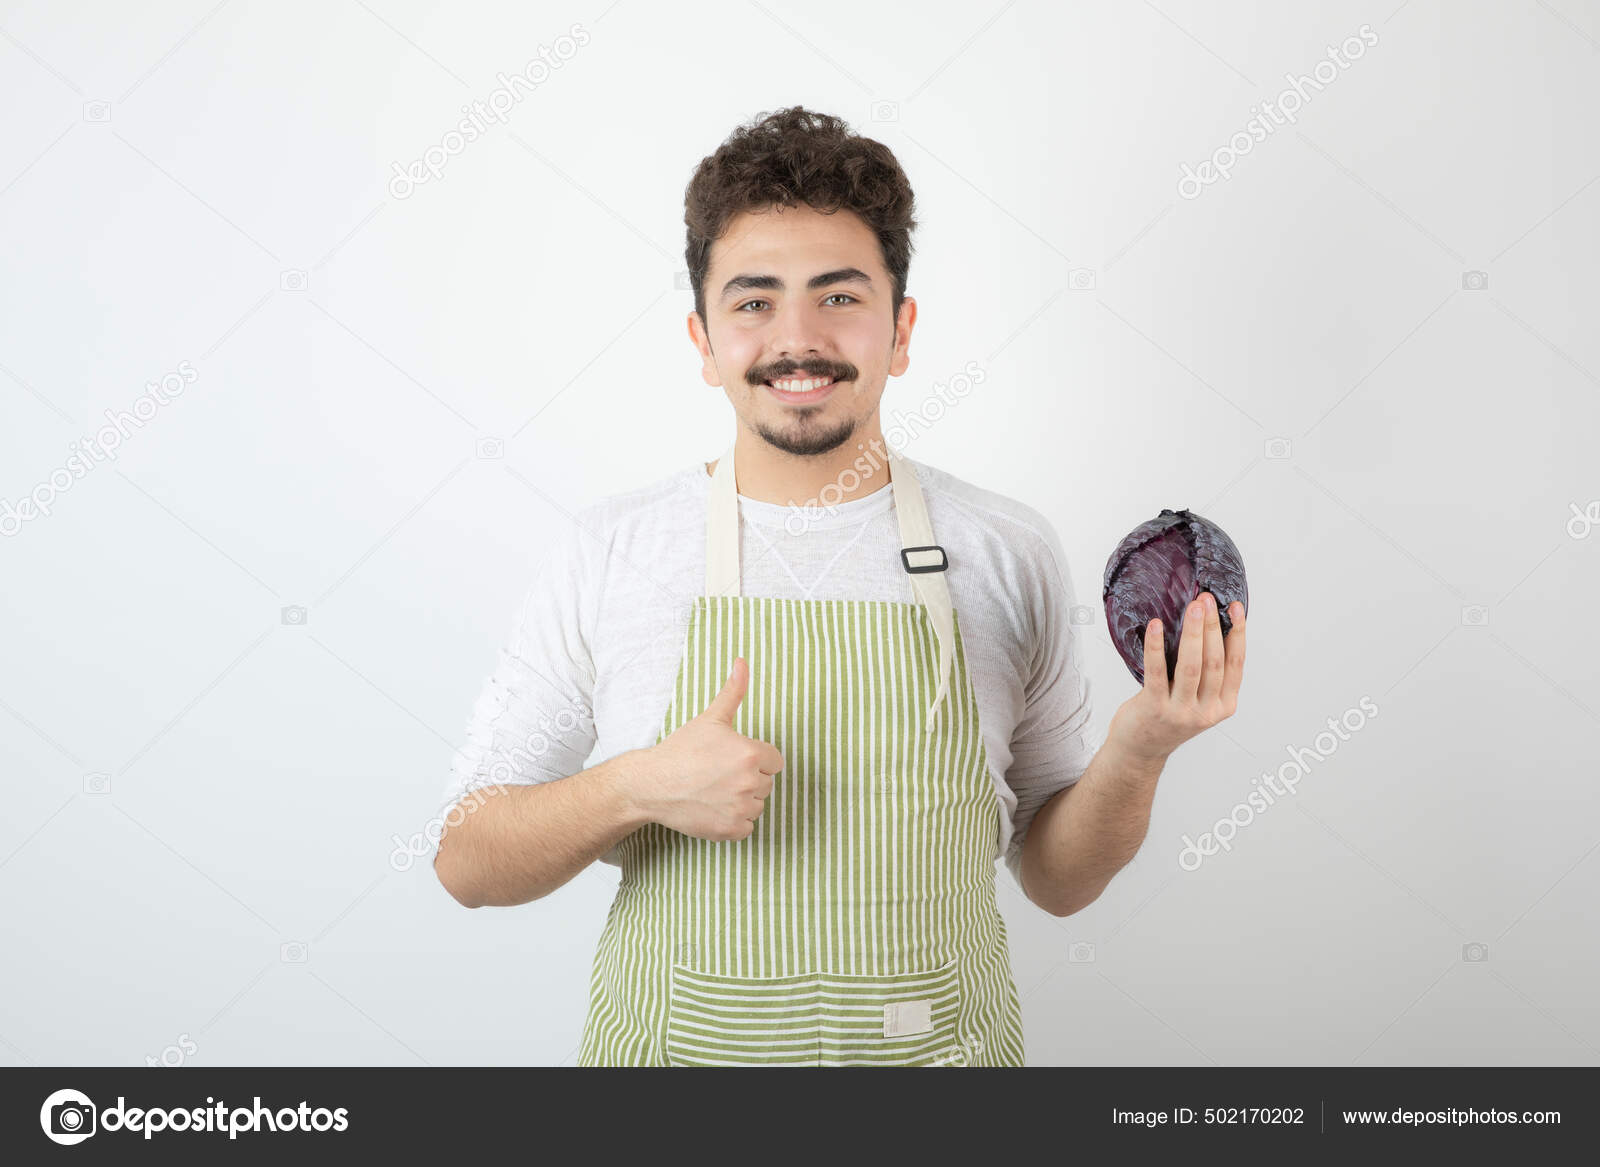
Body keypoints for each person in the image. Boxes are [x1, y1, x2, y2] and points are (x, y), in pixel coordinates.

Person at [433, 106, 1247, 1067]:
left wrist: (1141, 748)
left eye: (839, 296)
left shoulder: (1005, 548)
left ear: (900, 330)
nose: (797, 339)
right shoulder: (614, 548)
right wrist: (634, 785)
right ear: (703, 340)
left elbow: (1058, 879)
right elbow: (467, 860)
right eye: (753, 301)